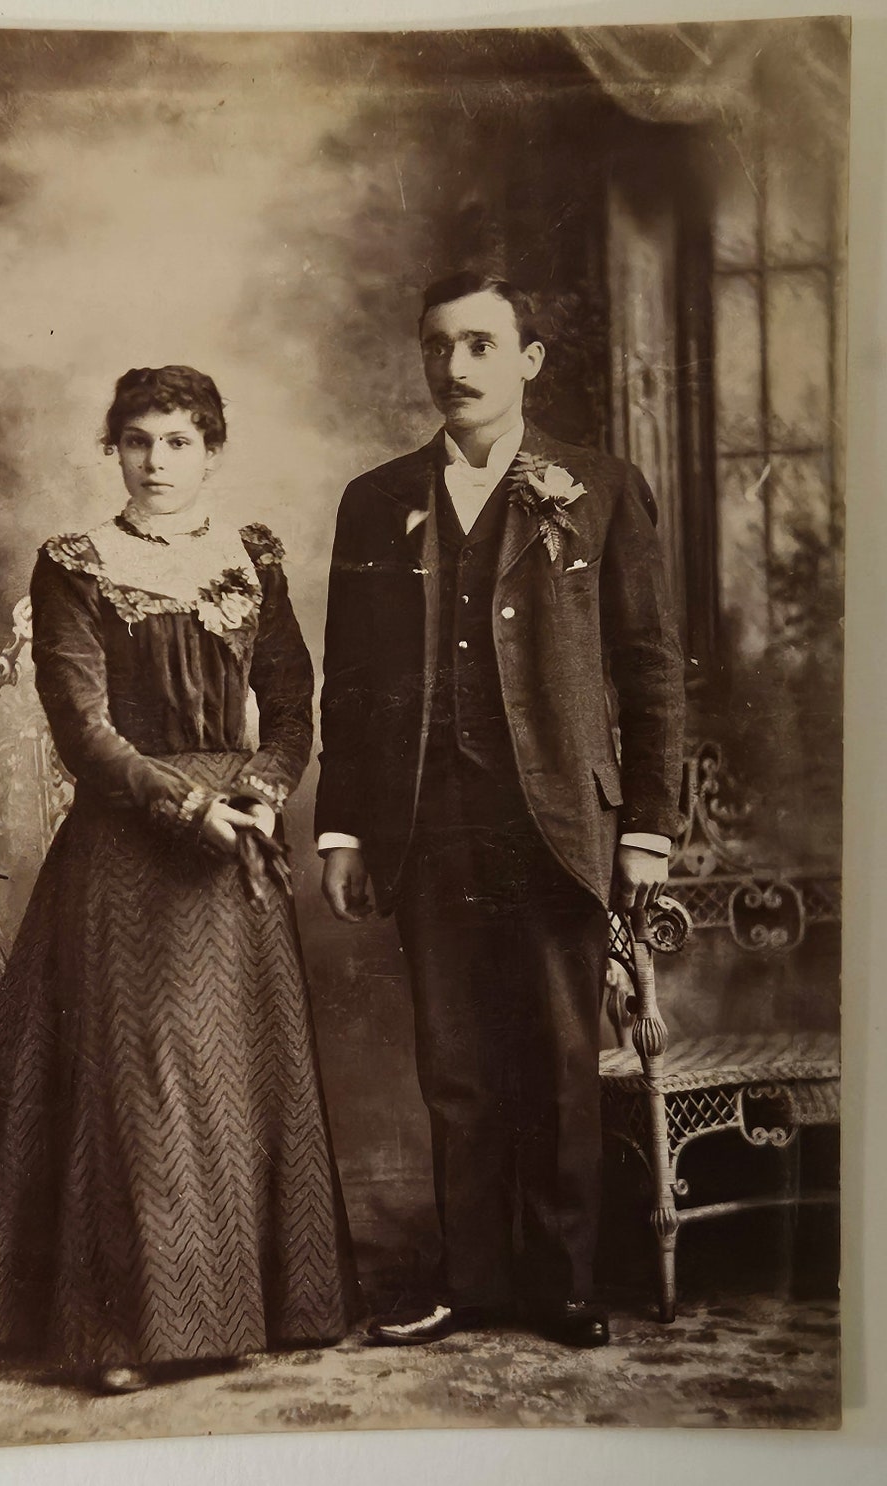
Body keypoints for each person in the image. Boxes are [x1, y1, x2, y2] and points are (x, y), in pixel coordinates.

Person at [0, 365, 355, 1393]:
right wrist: (189, 808)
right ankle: (127, 1327)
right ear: (115, 449)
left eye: (179, 440)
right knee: (144, 1081)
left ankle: (245, 1310)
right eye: (137, 440)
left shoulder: (252, 557)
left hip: (241, 852)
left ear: (212, 448)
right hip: (131, 846)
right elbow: (82, 727)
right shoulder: (75, 565)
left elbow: (294, 701)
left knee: (233, 1074)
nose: (157, 461)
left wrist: (265, 791)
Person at [315, 273, 684, 1348]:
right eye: (439, 346)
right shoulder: (377, 498)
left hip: (560, 817)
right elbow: (351, 676)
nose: (456, 366)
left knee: (563, 1056)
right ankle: (470, 1280)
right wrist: (343, 825)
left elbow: (651, 667)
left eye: (481, 344)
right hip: (429, 818)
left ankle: (564, 1280)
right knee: (456, 1058)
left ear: (528, 359)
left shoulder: (599, 486)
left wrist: (648, 826)